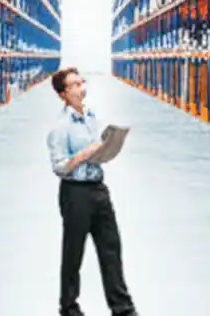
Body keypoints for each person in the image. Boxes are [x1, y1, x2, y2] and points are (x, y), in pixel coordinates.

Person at [45, 67, 137, 316]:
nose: (81, 87)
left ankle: (123, 308)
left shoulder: (91, 116)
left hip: (98, 189)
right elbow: (60, 166)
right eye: (75, 84)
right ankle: (69, 307)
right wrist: (84, 155)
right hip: (75, 194)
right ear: (64, 93)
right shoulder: (60, 127)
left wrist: (107, 148)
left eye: (81, 82)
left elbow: (98, 148)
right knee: (74, 252)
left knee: (111, 248)